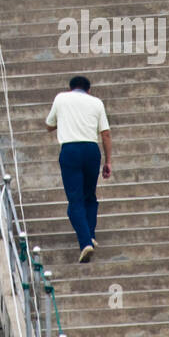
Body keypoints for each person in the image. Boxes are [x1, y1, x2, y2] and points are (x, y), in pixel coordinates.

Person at [45, 75, 112, 263]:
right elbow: (106, 134)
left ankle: (85, 243)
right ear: (88, 90)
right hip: (92, 150)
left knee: (75, 201)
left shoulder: (61, 99)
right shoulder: (96, 103)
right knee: (90, 196)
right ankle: (90, 234)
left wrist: (65, 120)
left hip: (70, 150)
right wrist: (108, 161)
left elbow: (49, 125)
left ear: (70, 88)